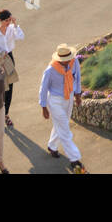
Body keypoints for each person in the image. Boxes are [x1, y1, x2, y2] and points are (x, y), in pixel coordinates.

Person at [39, 44, 86, 174]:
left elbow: (77, 79)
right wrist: (44, 107)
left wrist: (77, 95)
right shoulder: (50, 70)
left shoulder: (74, 61)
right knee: (64, 127)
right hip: (55, 100)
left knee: (60, 124)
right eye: (64, 60)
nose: (67, 62)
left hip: (69, 97)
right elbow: (43, 89)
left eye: (68, 59)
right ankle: (74, 159)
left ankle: (52, 146)